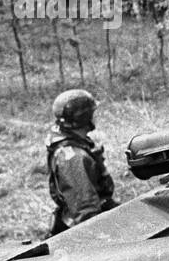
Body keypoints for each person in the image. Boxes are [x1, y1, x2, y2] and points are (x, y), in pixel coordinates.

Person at [47, 88, 117, 237]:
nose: (94, 117)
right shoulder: (74, 158)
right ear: (84, 117)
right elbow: (86, 211)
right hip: (86, 230)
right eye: (92, 113)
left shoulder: (77, 142)